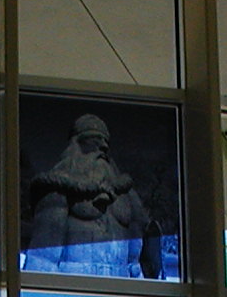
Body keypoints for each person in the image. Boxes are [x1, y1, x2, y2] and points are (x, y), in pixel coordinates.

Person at [22, 112, 160, 277]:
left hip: (120, 289)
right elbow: (43, 259)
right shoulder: (57, 189)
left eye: (105, 141)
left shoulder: (127, 196)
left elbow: (140, 255)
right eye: (95, 139)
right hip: (74, 289)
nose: (103, 147)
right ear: (77, 143)